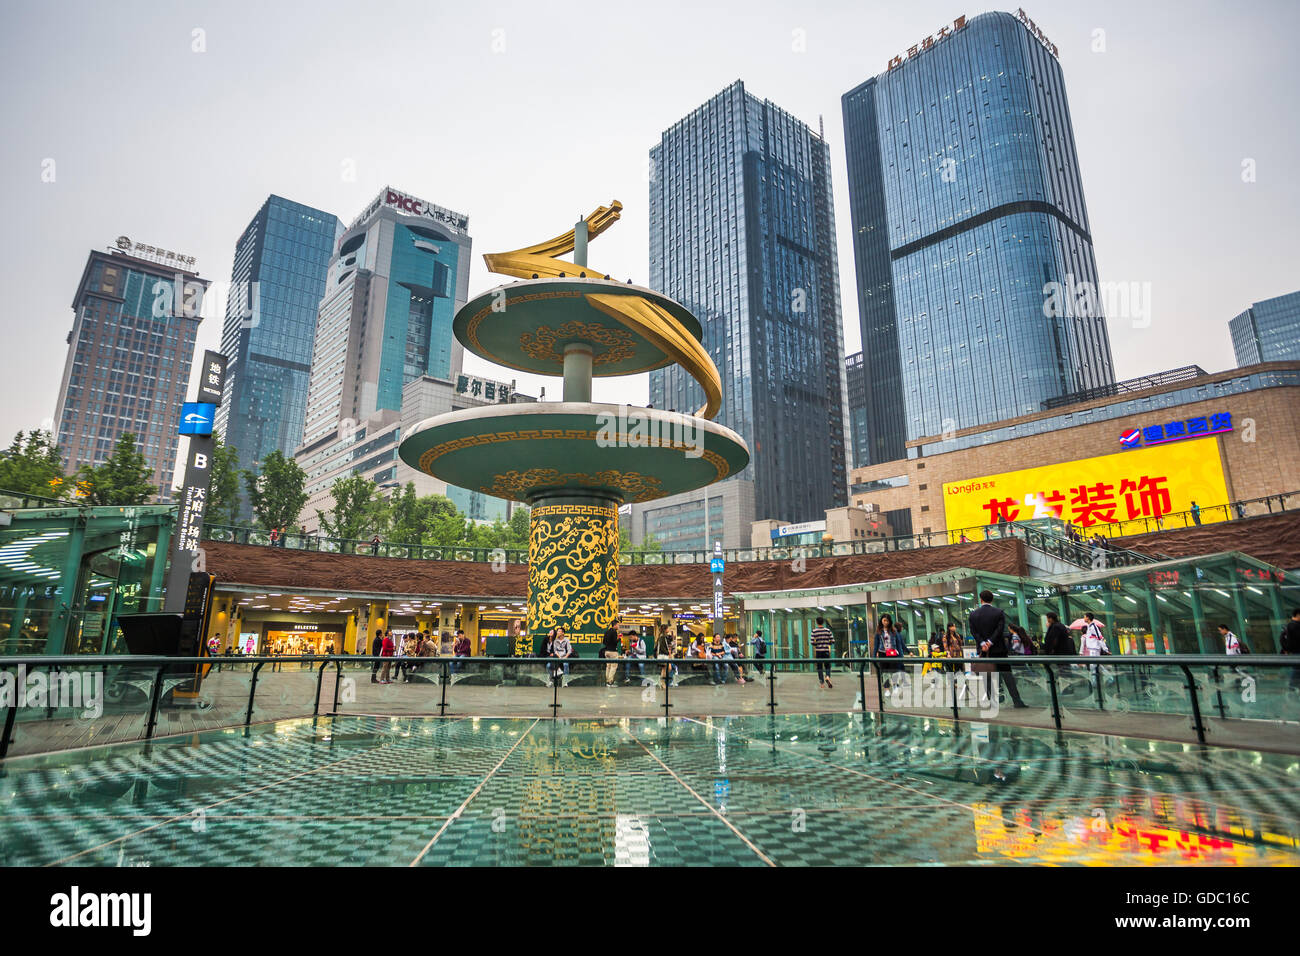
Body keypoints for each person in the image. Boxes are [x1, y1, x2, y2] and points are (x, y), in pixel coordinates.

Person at [968, 590, 1027, 708]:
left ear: (981, 599)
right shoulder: (999, 612)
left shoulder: (973, 614)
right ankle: (1017, 701)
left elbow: (974, 631)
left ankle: (992, 701)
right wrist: (990, 642)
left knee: (987, 677)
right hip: (999, 650)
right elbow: (999, 630)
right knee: (1007, 676)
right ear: (992, 599)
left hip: (984, 652)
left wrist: (983, 643)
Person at [873, 613, 904, 690]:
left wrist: (900, 656)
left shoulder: (894, 631)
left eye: (887, 621)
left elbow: (898, 644)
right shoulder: (878, 632)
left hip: (892, 653)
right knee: (885, 672)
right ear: (881, 621)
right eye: (884, 620)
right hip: (882, 653)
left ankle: (894, 686)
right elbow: (876, 645)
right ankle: (886, 689)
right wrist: (874, 656)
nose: (885, 622)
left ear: (890, 621)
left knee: (894, 671)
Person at [809, 616, 834, 689]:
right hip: (826, 651)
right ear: (823, 622)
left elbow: (812, 642)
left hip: (818, 652)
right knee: (827, 666)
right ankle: (827, 677)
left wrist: (818, 644)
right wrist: (826, 643)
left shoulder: (814, 631)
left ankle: (822, 684)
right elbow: (832, 641)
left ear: (817, 622)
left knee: (819, 667)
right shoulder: (828, 630)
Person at [1282, 608, 1300, 691]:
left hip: (1294, 652)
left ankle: (1292, 688)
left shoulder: (1290, 625)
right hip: (1297, 652)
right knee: (1296, 670)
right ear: (1298, 615)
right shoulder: (1294, 625)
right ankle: (1292, 688)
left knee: (1296, 670)